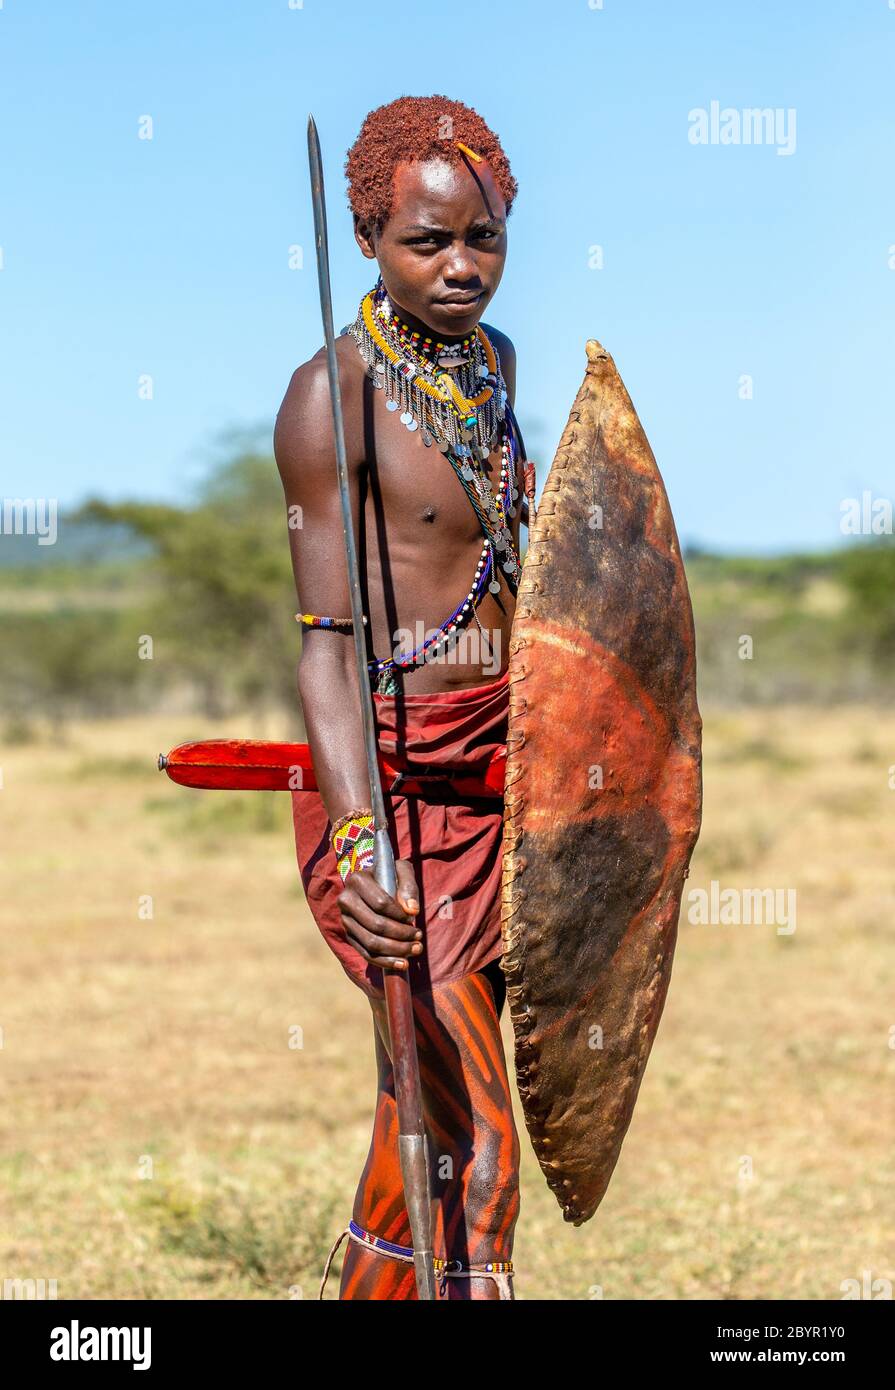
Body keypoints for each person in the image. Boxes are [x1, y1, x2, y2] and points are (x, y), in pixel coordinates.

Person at [274, 94, 536, 1300]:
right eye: (427, 242)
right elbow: (325, 653)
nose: (460, 267)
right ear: (369, 237)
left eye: (482, 238)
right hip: (394, 796)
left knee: (420, 1105)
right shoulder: (328, 400)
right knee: (473, 1129)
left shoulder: (496, 367)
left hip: (501, 783)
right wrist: (359, 844)